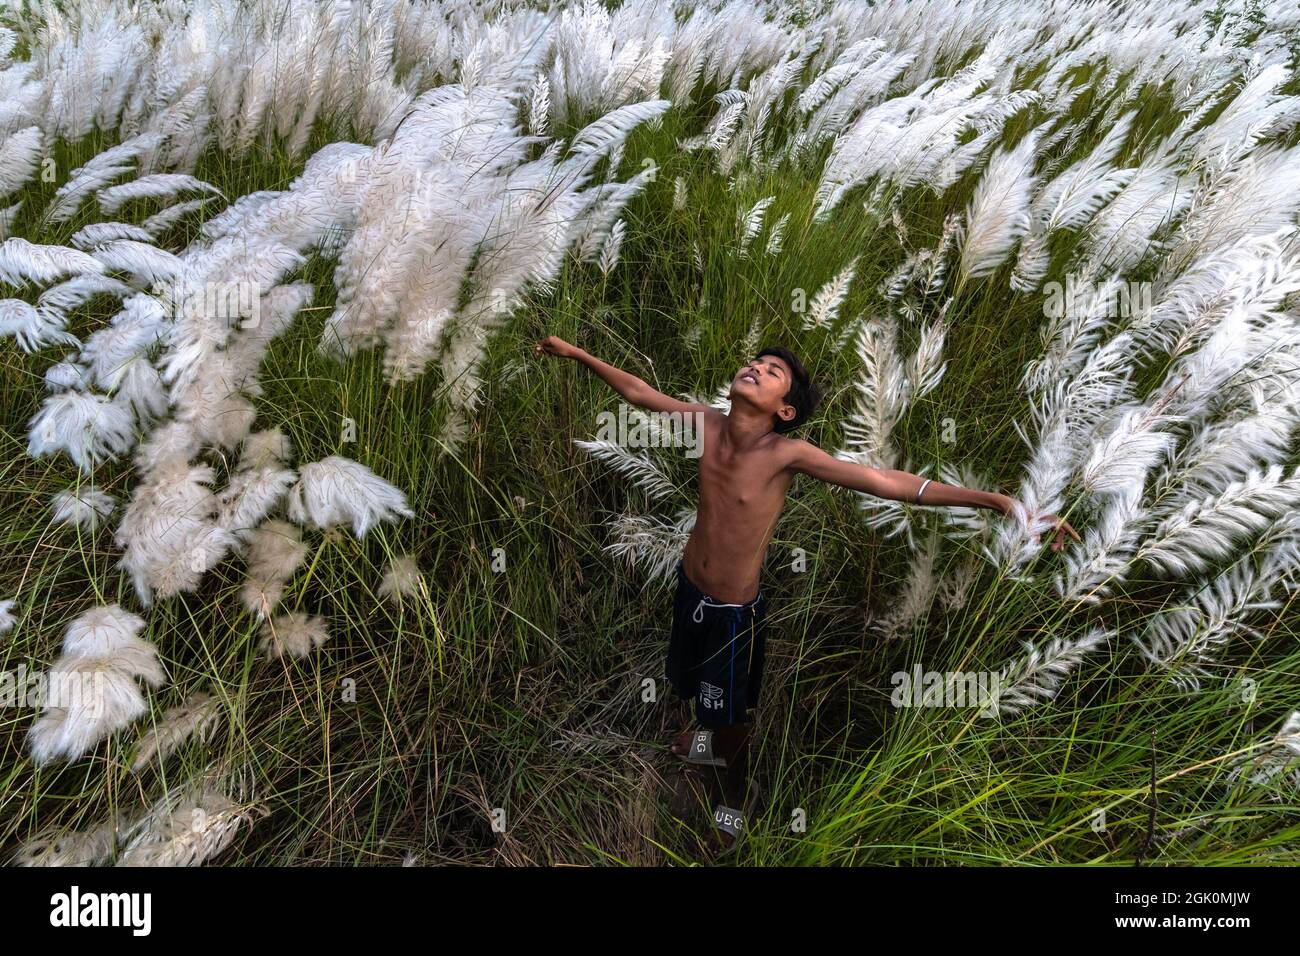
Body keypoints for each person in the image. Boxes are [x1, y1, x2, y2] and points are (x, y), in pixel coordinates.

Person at [534, 334, 1079, 851]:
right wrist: (576, 353)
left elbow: (884, 482)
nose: (756, 368)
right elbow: (638, 391)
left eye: (773, 372)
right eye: (755, 362)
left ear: (784, 411)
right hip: (689, 590)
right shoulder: (705, 424)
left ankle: (734, 798)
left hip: (731, 614)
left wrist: (999, 502)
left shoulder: (786, 455)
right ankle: (701, 745)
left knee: (730, 719)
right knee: (692, 685)